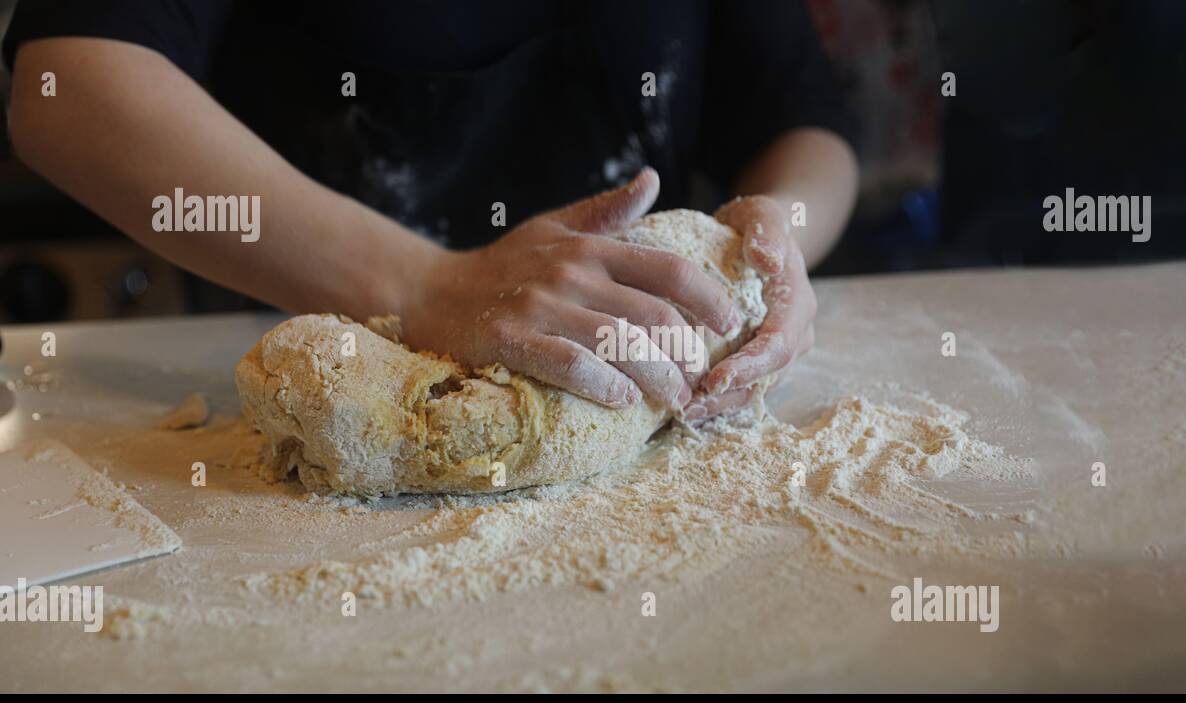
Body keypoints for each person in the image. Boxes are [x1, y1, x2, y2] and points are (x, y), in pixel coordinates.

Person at [3, 1, 860, 420]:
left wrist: (762, 252)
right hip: (304, 397)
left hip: (628, 379)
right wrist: (422, 284)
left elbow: (807, 127)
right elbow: (65, 85)